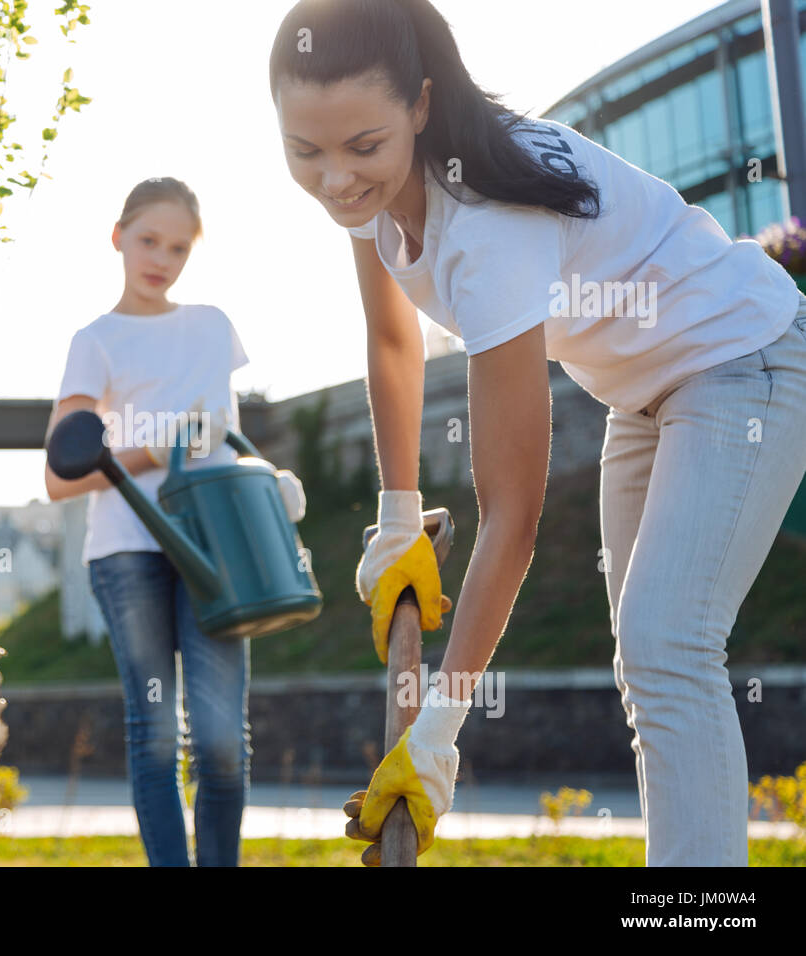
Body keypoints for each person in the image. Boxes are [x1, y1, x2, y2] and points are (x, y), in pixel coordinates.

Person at [269, 0, 806, 867]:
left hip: (746, 357)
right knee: (650, 667)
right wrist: (399, 512)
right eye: (306, 151)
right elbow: (392, 340)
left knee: (671, 644)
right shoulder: (377, 194)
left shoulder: (486, 225)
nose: (336, 179)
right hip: (642, 394)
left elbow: (512, 515)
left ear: (420, 105)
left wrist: (438, 728)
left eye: (361, 146)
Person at [44, 177, 307, 866]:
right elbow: (58, 476)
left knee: (221, 740)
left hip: (220, 550)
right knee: (156, 733)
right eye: (147, 241)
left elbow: (227, 443)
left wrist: (270, 487)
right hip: (128, 552)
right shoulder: (94, 341)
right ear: (118, 237)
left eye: (178, 247)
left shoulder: (212, 326)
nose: (161, 258)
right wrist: (150, 449)